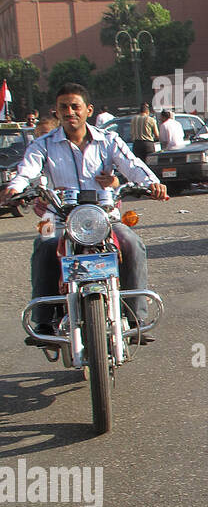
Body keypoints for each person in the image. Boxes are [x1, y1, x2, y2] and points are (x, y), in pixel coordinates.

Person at [0, 83, 167, 337]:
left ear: (88, 110)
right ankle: (43, 320)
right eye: (63, 107)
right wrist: (15, 188)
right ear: (56, 112)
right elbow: (27, 170)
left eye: (75, 106)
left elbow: (132, 166)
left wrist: (152, 184)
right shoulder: (43, 144)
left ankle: (136, 319)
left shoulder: (109, 141)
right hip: (59, 220)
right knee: (44, 245)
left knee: (132, 243)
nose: (70, 112)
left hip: (105, 219)